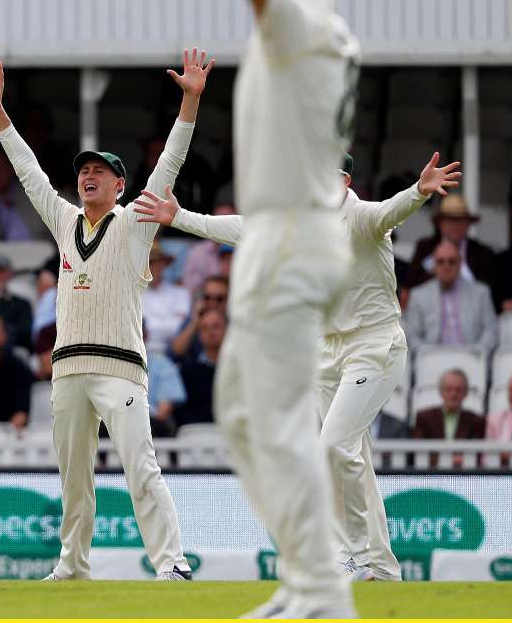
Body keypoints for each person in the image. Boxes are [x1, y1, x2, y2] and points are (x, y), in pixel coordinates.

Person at [137, 149, 462, 581]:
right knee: (353, 458)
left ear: (345, 183)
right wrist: (179, 217)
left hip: (375, 343)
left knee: (333, 449)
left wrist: (419, 191)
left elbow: (389, 213)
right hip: (327, 351)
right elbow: (242, 229)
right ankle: (381, 566)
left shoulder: (361, 218)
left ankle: (350, 554)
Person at [0, 48, 210, 583]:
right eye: (84, 170)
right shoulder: (64, 221)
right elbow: (28, 171)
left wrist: (190, 103)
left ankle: (171, 562)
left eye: (100, 172)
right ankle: (73, 564)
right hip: (67, 370)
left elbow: (169, 163)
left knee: (140, 466)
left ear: (119, 186)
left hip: (120, 368)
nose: (88, 176)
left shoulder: (135, 224)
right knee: (74, 477)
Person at [205, 0, 359, 615]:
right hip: (279, 236)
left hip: (293, 237)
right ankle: (307, 576)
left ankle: (324, 590)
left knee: (281, 423)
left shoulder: (302, 23)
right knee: (239, 412)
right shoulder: (301, 27)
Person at [402, 239, 499, 352]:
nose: (446, 266)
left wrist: (478, 351)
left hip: (471, 358)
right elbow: (412, 335)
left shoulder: (481, 293)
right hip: (432, 360)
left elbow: (491, 330)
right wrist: (427, 353)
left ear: (460, 264)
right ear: (434, 265)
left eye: (451, 261)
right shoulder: (418, 295)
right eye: (440, 261)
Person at [407, 194, 496, 289]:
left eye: (460, 220)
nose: (455, 226)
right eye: (450, 220)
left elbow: (488, 289)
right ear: (440, 224)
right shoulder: (425, 248)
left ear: (468, 223)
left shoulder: (483, 253)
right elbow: (411, 283)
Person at [173, 308, 225, 427]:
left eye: (216, 326)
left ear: (226, 329)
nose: (211, 332)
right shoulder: (187, 371)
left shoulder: (238, 369)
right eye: (205, 328)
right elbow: (182, 412)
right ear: (199, 334)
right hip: (196, 434)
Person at [142, 243, 191, 356]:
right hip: (142, 352)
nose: (150, 267)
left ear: (163, 264)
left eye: (154, 262)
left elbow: (180, 328)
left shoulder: (181, 293)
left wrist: (149, 325)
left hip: (175, 353)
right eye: (148, 263)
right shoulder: (134, 295)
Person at [168, 276, 230, 361]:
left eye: (219, 299)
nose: (213, 303)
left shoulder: (236, 321)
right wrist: (195, 323)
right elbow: (174, 352)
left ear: (229, 299)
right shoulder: (194, 318)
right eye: (208, 298)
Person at [411, 369, 485, 439]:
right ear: (441, 391)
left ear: (466, 393)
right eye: (448, 389)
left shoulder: (476, 421)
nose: (453, 394)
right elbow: (417, 447)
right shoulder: (423, 418)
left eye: (458, 390)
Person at [180, 202, 236, 294]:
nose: (224, 225)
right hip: (204, 301)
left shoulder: (245, 250)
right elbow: (188, 287)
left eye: (228, 221)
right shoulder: (197, 252)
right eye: (220, 220)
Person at [0, 254, 36, 352]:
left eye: (0, 271)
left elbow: (25, 334)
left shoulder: (22, 304)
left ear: (9, 274)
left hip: (12, 352)